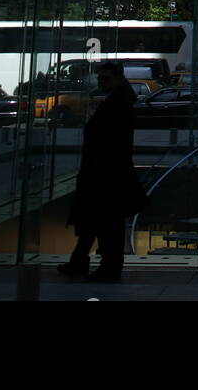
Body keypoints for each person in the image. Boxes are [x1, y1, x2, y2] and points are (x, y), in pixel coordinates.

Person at [59, 62, 150, 282]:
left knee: (104, 222)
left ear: (117, 78)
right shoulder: (119, 101)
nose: (101, 82)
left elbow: (107, 140)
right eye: (100, 78)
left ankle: (104, 265)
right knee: (99, 220)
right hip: (107, 172)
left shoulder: (116, 105)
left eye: (105, 78)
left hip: (105, 173)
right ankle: (83, 261)